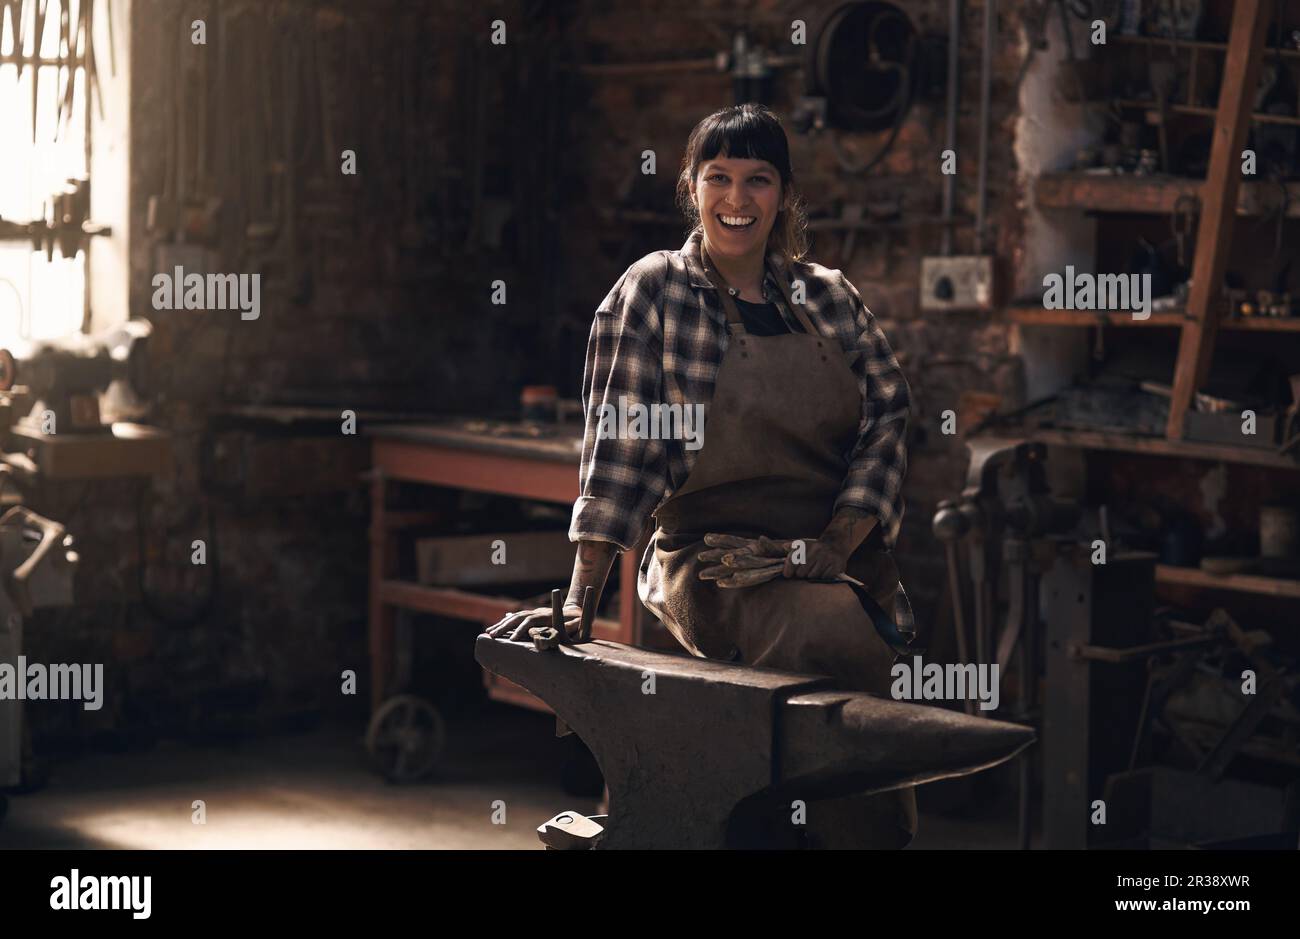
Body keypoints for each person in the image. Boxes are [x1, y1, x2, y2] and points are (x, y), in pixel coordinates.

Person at [487, 103, 916, 848]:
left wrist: (838, 544)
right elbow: (620, 449)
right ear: (691, 187)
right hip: (710, 558)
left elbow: (890, 416)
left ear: (784, 194)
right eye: (718, 177)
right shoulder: (654, 293)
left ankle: (859, 834)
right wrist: (581, 596)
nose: (738, 199)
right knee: (826, 629)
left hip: (824, 556)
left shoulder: (830, 298)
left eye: (758, 179)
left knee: (852, 631)